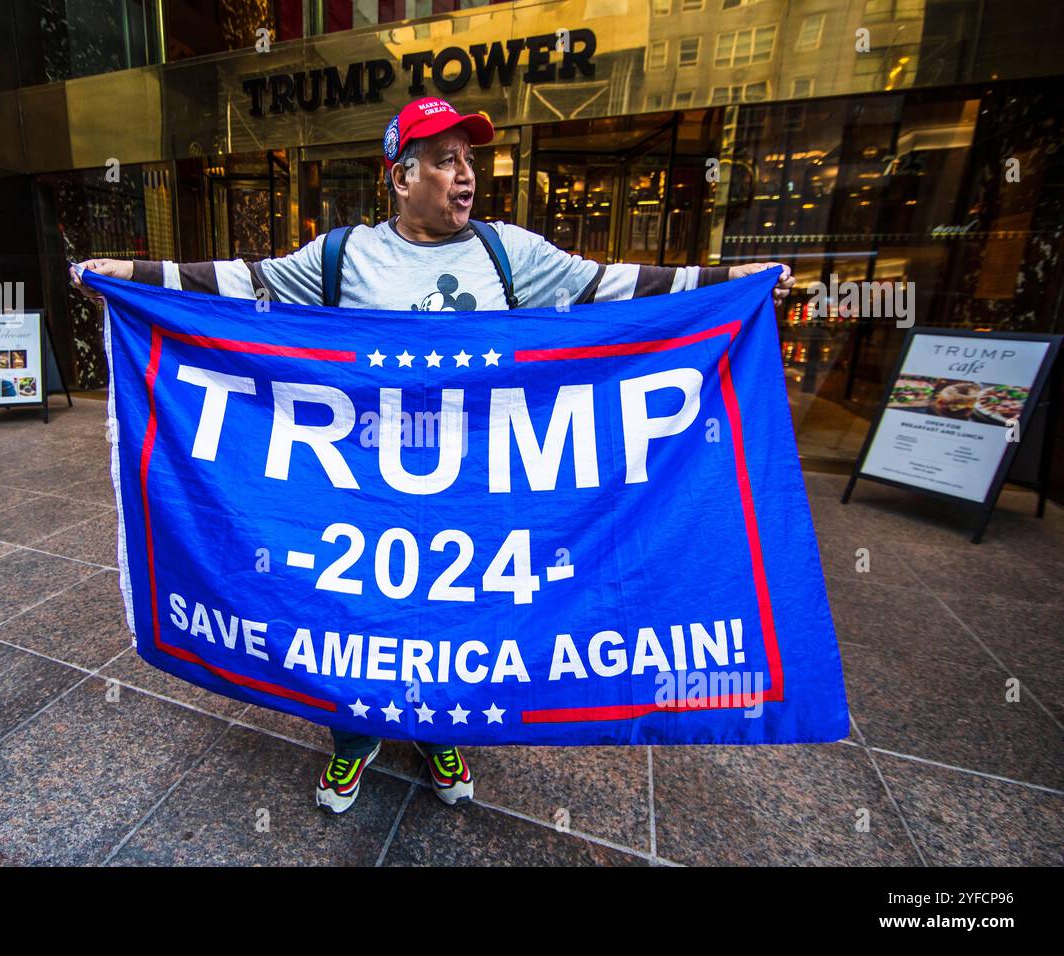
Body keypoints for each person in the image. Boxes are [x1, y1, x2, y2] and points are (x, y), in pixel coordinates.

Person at [72, 96, 794, 815]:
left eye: (469, 161)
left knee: (458, 617)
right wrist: (128, 273)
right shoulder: (341, 256)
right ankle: (353, 741)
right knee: (358, 621)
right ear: (400, 176)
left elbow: (615, 287)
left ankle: (440, 731)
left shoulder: (510, 253)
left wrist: (736, 282)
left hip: (477, 494)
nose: (465, 175)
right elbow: (237, 282)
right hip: (364, 492)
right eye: (446, 161)